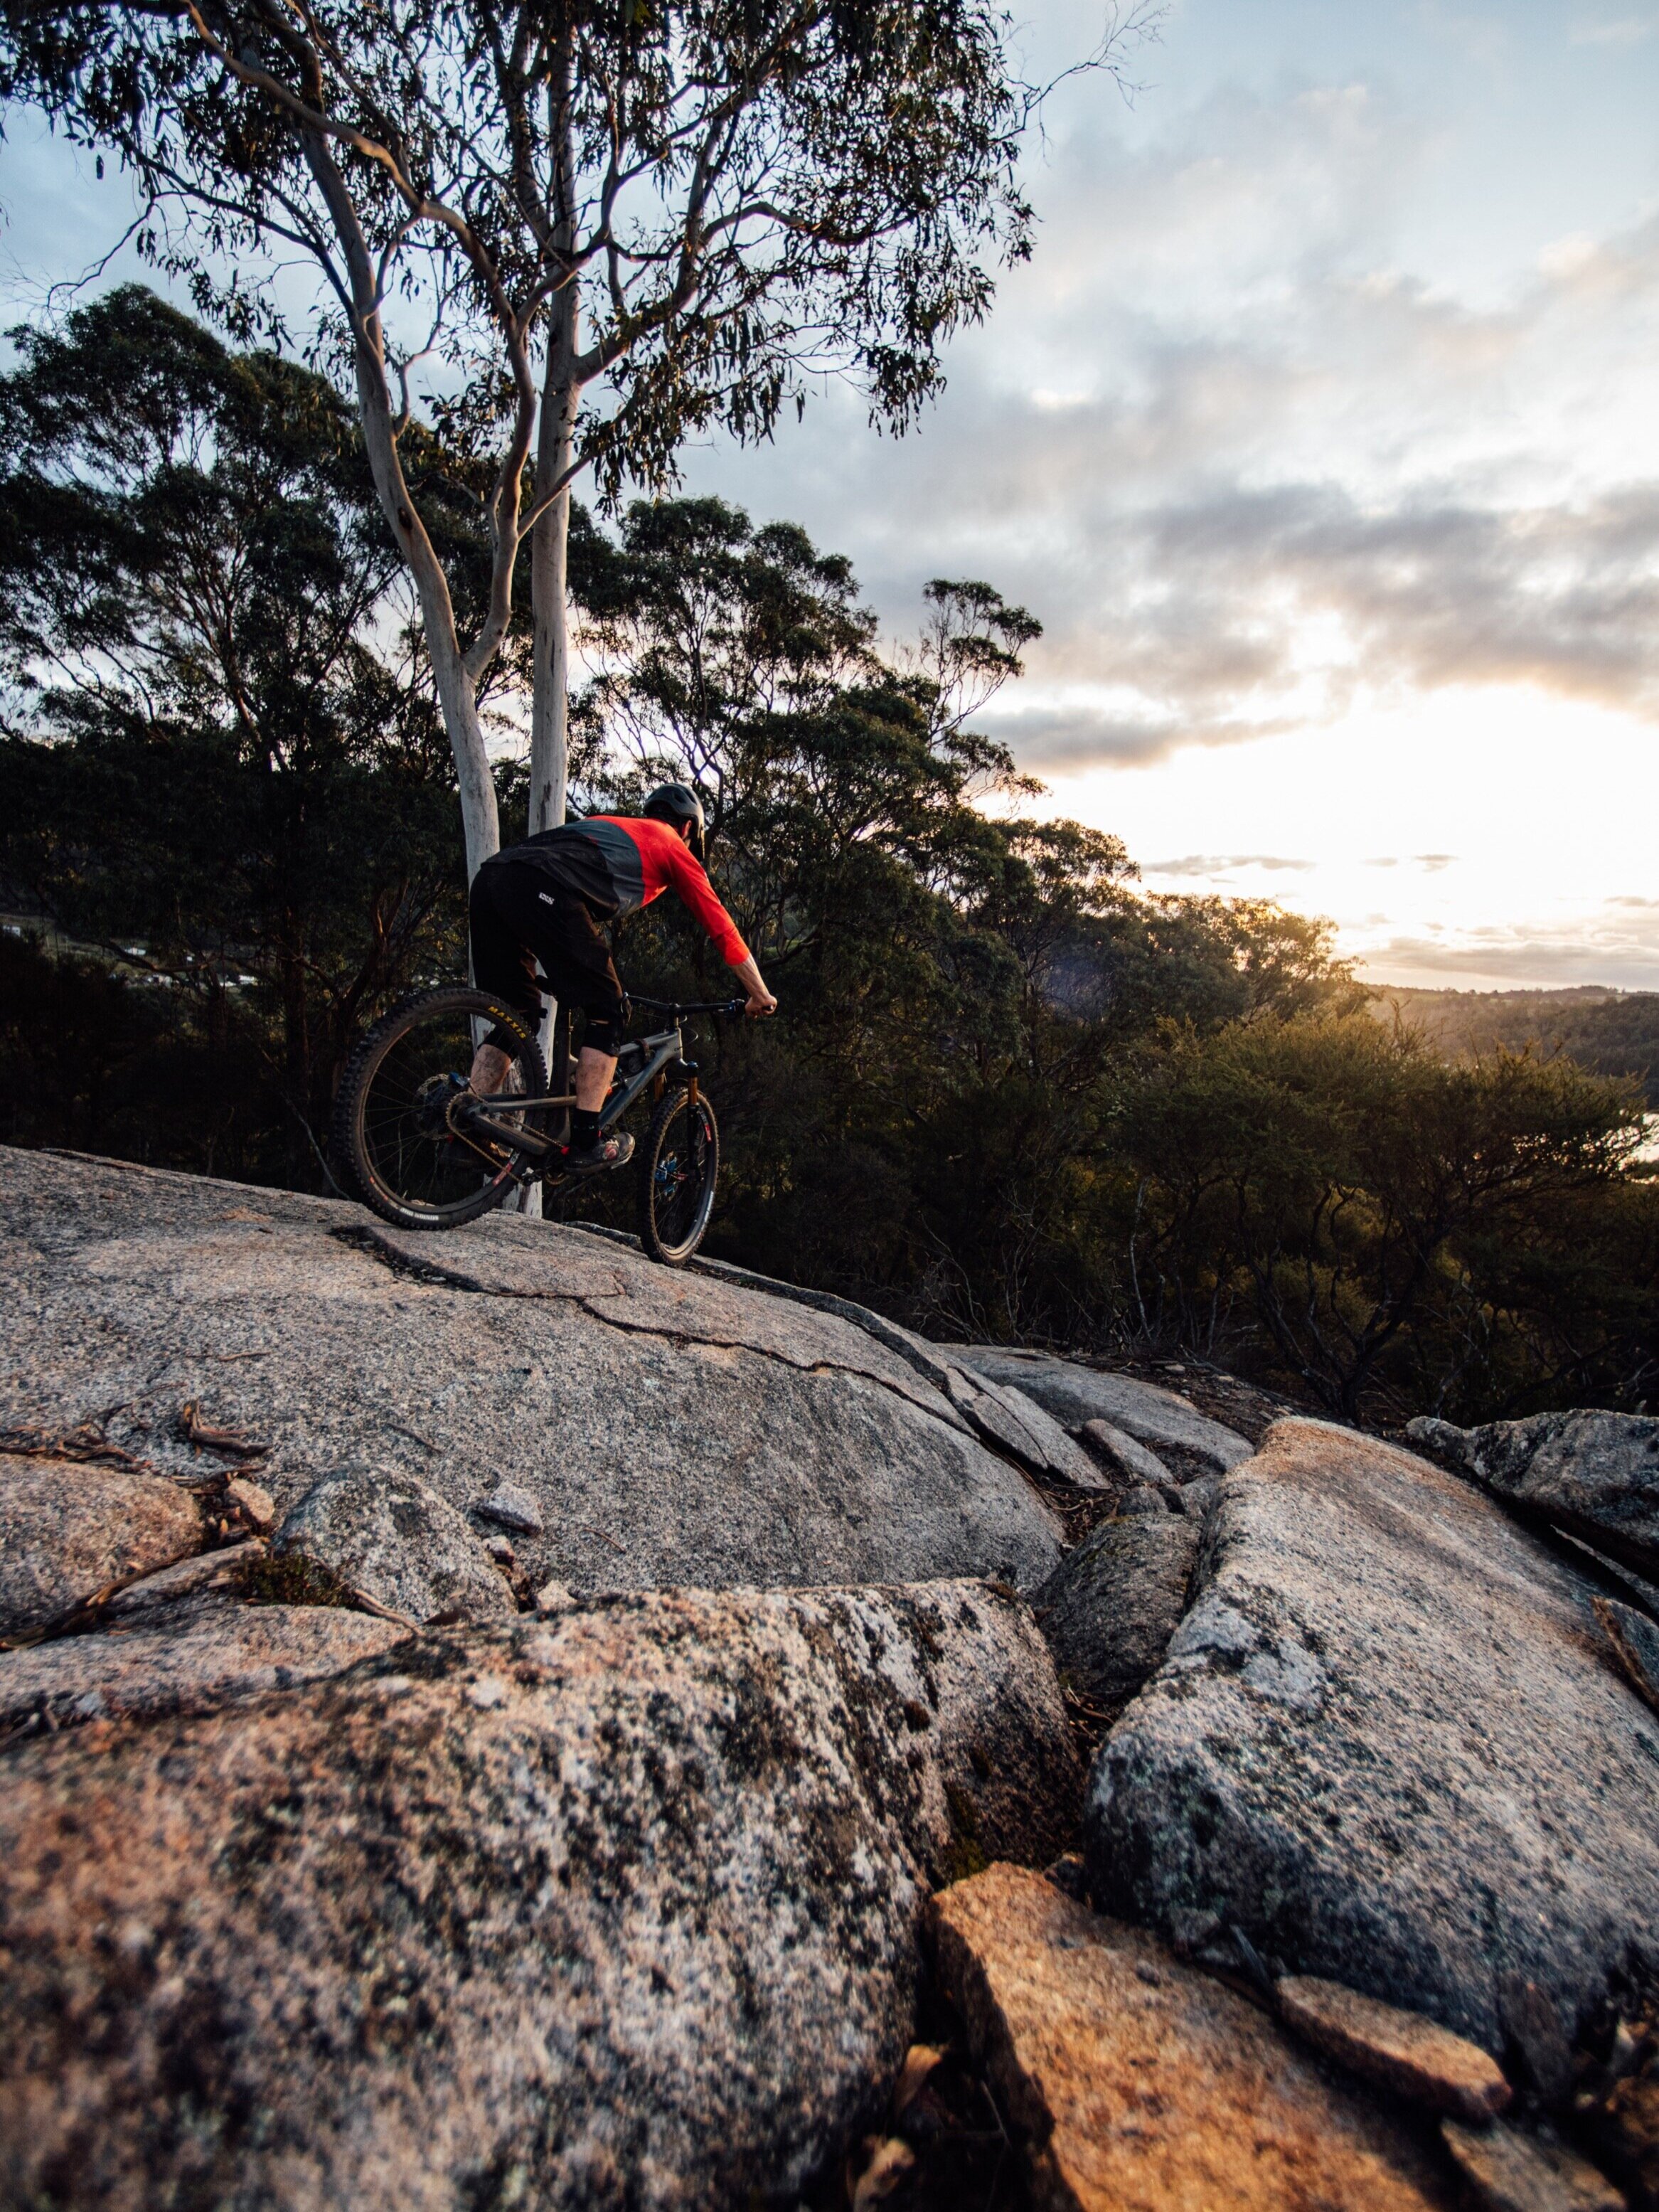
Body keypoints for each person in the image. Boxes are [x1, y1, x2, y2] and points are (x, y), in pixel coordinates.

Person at [466, 784, 777, 1170]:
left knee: (519, 1015)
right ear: (688, 829)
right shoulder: (671, 844)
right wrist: (758, 992)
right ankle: (586, 1141)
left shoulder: (609, 825)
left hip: (492, 879)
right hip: (543, 886)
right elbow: (721, 927)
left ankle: (464, 1124)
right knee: (609, 1011)